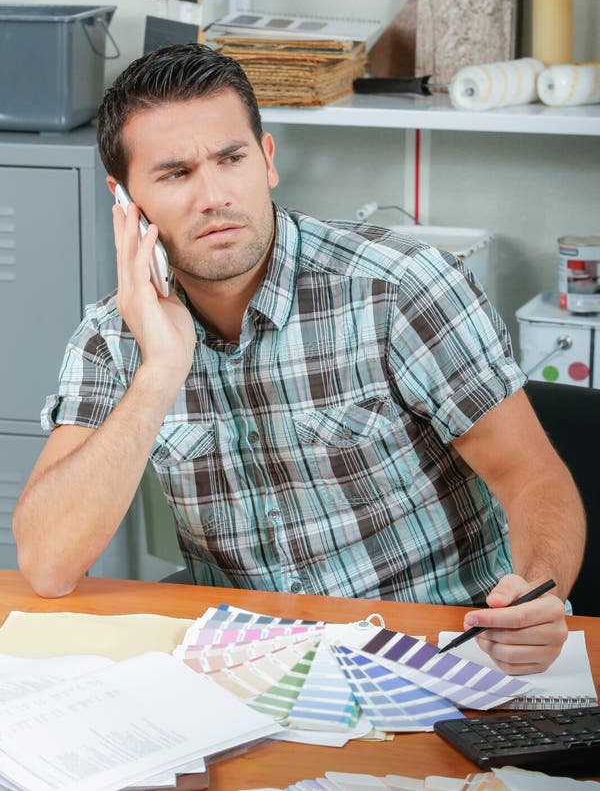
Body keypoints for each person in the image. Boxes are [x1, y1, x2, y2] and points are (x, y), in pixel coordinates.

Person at [14, 43, 585, 675]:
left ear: (267, 160)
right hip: (253, 673)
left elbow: (532, 476)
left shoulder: (398, 287)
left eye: (231, 159)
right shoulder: (112, 336)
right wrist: (159, 371)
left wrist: (540, 594)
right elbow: (47, 563)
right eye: (175, 174)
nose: (213, 196)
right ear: (125, 200)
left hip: (442, 652)